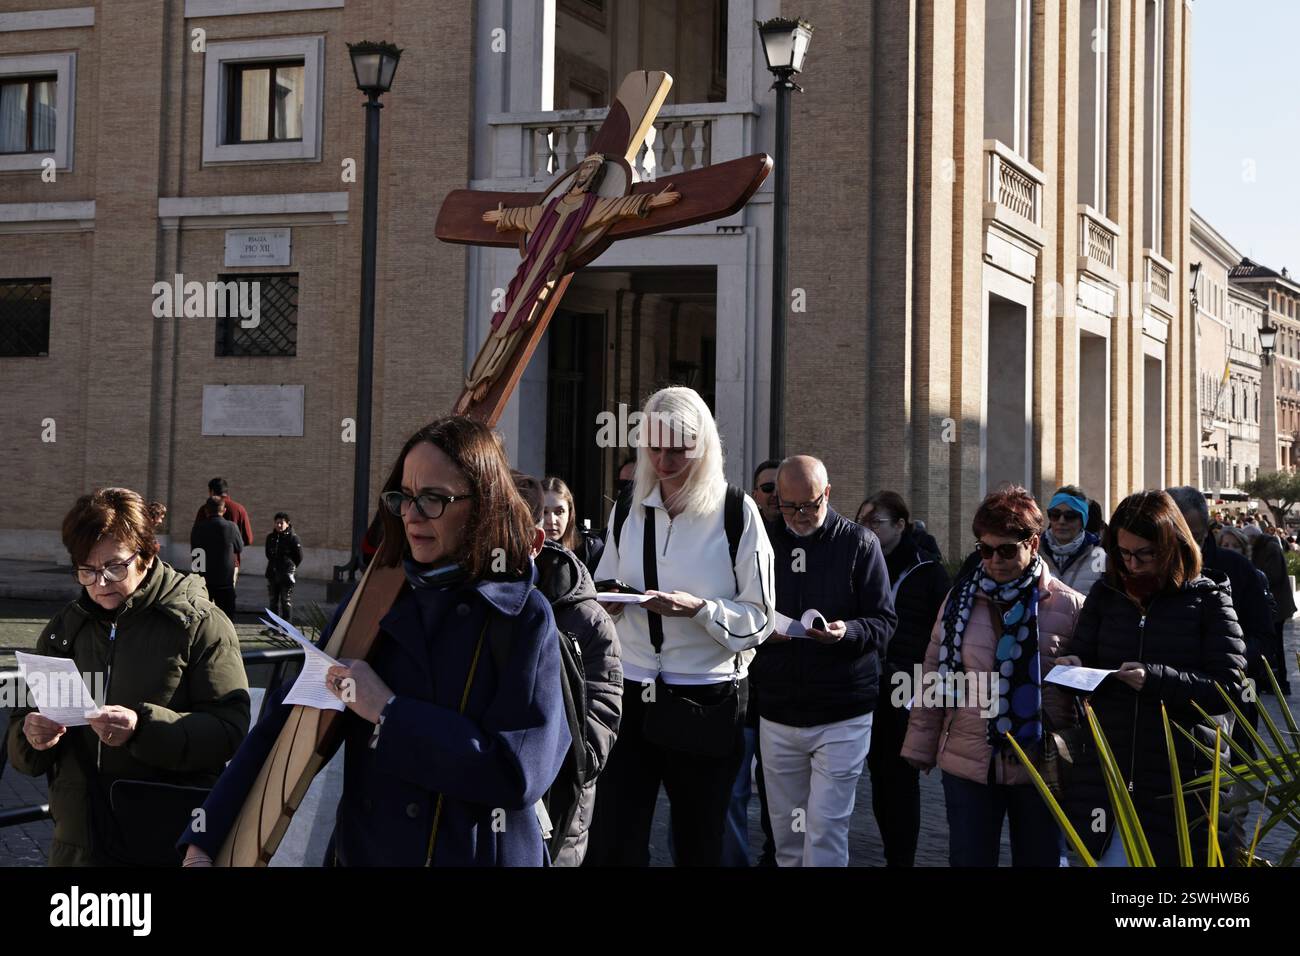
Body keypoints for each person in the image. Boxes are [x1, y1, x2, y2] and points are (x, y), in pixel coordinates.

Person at [180, 416, 571, 867]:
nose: (412, 515)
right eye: (404, 497)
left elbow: (519, 772)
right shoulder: (375, 601)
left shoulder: (521, 615)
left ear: (482, 504)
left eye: (433, 499)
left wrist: (389, 711)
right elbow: (289, 721)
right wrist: (204, 840)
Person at [6, 487, 249, 866]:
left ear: (146, 553)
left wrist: (143, 729)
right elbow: (20, 727)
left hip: (163, 841)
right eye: (86, 570)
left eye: (115, 567)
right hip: (77, 845)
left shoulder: (199, 623)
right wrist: (30, 737)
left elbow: (229, 730)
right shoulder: (64, 629)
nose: (100, 584)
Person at [585, 386, 775, 867]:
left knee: (699, 843)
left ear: (704, 445)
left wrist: (700, 610)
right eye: (655, 447)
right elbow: (606, 580)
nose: (665, 460)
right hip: (629, 691)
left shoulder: (736, 512)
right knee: (614, 842)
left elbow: (762, 617)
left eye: (678, 449)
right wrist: (607, 604)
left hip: (705, 698)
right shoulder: (629, 504)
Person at [1058, 491, 1246, 865]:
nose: (1132, 564)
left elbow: (1229, 689)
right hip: (1107, 775)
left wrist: (1156, 680)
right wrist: (1075, 665)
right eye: (1123, 553)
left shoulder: (1209, 600)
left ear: (1172, 545)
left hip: (1184, 780)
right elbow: (1086, 653)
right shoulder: (1106, 594)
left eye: (1143, 554)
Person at [901, 485, 1084, 867]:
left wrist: (1078, 671)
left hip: (1039, 765)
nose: (994, 560)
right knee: (969, 859)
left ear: (1033, 544)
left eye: (1006, 550)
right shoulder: (959, 600)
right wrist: (920, 744)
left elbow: (1088, 686)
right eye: (985, 549)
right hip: (969, 760)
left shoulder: (1068, 605)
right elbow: (934, 669)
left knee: (1039, 860)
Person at [750, 457, 897, 867]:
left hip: (842, 710)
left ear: (827, 495)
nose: (798, 517)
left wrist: (844, 632)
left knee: (826, 829)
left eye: (809, 506)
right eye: (788, 506)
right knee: (786, 833)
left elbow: (885, 622)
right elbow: (742, 609)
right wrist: (762, 631)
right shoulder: (763, 542)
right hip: (779, 708)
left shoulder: (859, 543)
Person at [514, 473, 624, 866]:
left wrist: (563, 767)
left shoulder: (588, 619)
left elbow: (602, 716)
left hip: (561, 808)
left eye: (558, 511)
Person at [860, 490, 950, 867]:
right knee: (877, 778)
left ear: (900, 525)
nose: (866, 530)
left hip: (903, 687)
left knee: (897, 778)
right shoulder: (858, 563)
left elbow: (944, 631)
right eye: (861, 522)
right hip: (862, 681)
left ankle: (902, 859)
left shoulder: (926, 570)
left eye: (875, 523)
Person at [719, 457, 784, 867]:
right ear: (754, 494)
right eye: (767, 489)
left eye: (783, 489)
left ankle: (776, 859)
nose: (777, 497)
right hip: (743, 693)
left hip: (787, 697)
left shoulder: (806, 541)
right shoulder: (736, 536)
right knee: (732, 792)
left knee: (781, 799)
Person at [1250, 529, 1295, 696]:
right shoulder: (1264, 547)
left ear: (1254, 538)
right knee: (1271, 645)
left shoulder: (1271, 548)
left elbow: (1273, 575)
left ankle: (1281, 682)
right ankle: (1272, 682)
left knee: (1276, 646)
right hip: (1273, 605)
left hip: (1277, 606)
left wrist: (1256, 574)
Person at [1039, 485, 1107, 597]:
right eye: (1055, 515)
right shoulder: (1034, 552)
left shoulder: (1099, 557)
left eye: (1070, 516)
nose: (1061, 521)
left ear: (1082, 520)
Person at [190, 496, 242, 617]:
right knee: (227, 617)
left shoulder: (198, 528)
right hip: (225, 581)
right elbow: (239, 548)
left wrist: (198, 577)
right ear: (224, 510)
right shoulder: (231, 527)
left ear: (206, 511)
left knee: (203, 617)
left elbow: (196, 555)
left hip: (205, 581)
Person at [541, 475, 604, 575]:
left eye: (559, 512)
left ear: (569, 513)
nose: (551, 520)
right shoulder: (523, 553)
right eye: (544, 512)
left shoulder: (590, 550)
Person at [192, 478, 253, 556]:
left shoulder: (205, 509)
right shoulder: (239, 509)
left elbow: (196, 536)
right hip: (231, 562)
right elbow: (248, 539)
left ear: (212, 492)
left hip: (207, 561)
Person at [263, 512, 303, 626]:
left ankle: (287, 627)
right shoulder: (270, 537)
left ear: (287, 523)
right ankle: (273, 627)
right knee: (273, 601)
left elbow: (299, 557)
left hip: (287, 575)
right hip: (272, 573)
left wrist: (290, 567)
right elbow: (268, 554)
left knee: (286, 601)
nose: (279, 525)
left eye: (281, 523)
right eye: (277, 523)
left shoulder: (293, 538)